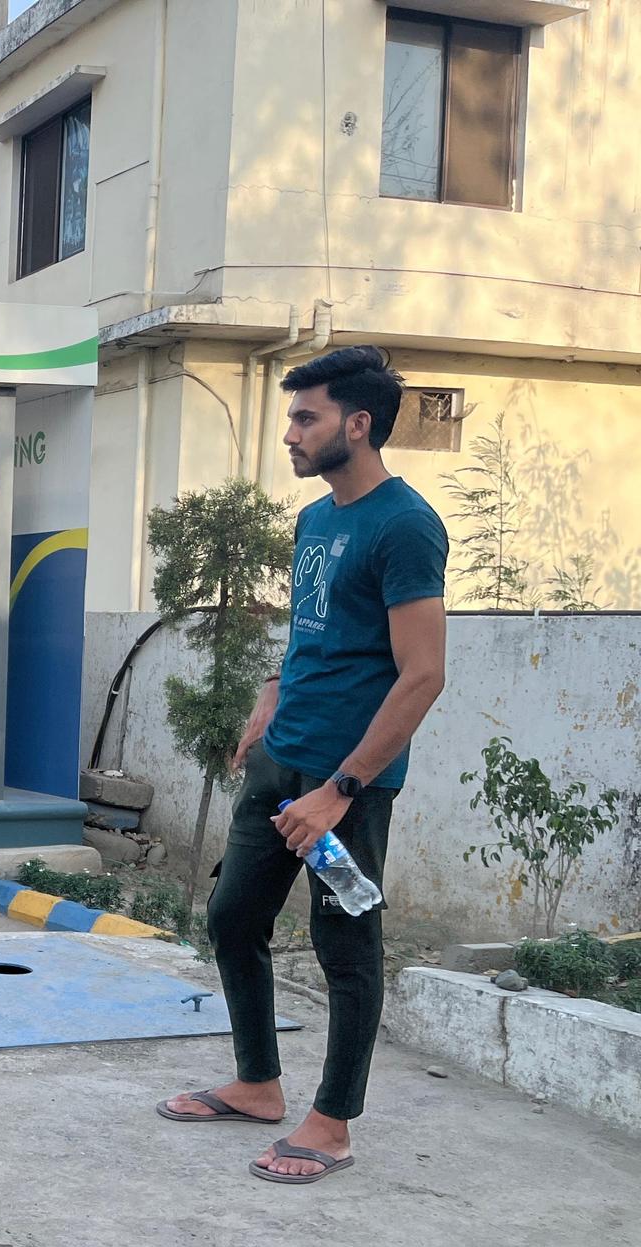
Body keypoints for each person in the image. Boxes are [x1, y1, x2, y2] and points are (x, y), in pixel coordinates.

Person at [157, 346, 448, 1184]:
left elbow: (423, 673)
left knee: (346, 949)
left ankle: (332, 1125)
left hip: (344, 788)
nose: (289, 433)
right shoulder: (318, 518)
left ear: (357, 425)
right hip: (282, 766)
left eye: (305, 417)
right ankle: (257, 1084)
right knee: (231, 920)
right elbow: (314, 627)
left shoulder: (405, 525)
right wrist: (272, 693)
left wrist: (340, 790)